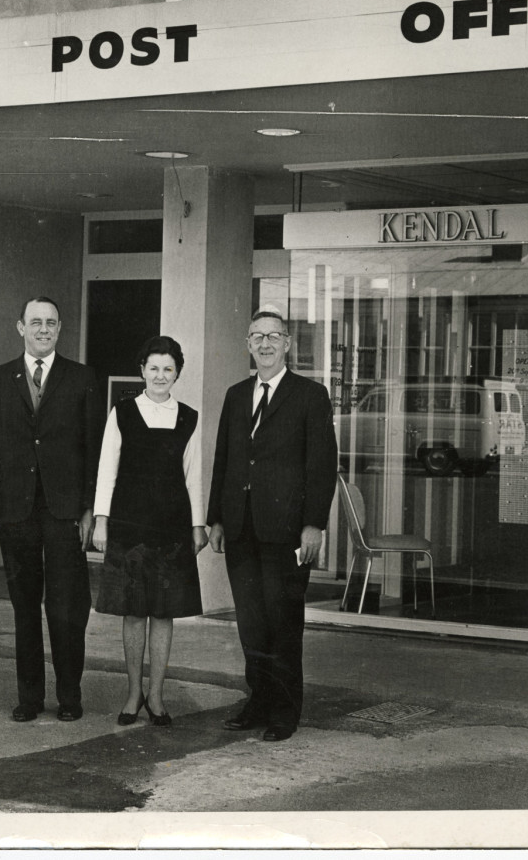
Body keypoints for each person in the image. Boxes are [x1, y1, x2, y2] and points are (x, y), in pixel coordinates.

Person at [0, 296, 104, 723]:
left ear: (60, 328)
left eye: (51, 323)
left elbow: (94, 450)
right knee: (24, 607)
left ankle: (69, 696)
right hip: (15, 510)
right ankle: (29, 697)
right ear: (20, 327)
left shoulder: (82, 378)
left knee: (67, 608)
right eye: (35, 322)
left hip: (65, 512)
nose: (43, 329)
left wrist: (90, 510)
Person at [207, 308, 338, 742]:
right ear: (248, 344)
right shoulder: (235, 394)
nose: (265, 344)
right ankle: (258, 700)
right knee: (250, 623)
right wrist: (216, 518)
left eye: (273, 337)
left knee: (283, 622)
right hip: (241, 528)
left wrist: (313, 525)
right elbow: (224, 460)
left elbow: (321, 467)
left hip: (285, 531)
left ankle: (284, 709)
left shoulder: (310, 395)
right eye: (256, 336)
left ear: (287, 344)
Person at [91, 335, 208, 727]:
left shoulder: (189, 417)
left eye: (168, 369)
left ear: (177, 374)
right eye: (154, 368)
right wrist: (102, 521)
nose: (160, 375)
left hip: (172, 529)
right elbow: (107, 468)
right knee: (134, 613)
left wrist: (197, 526)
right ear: (142, 370)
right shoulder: (122, 412)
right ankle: (132, 694)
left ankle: (156, 697)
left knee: (163, 613)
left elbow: (194, 477)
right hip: (128, 526)